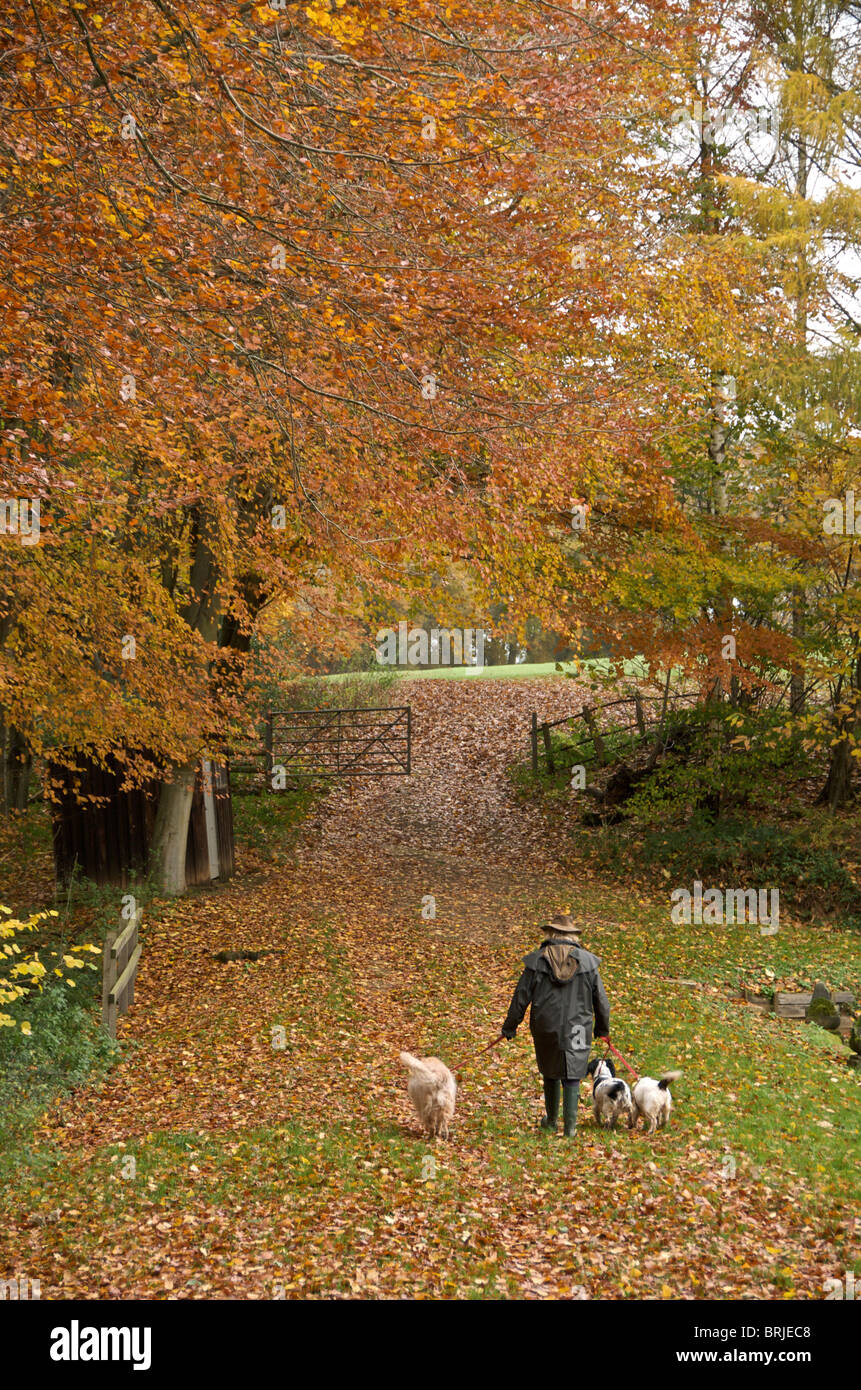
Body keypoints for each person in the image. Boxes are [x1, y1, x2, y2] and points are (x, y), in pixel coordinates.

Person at [500, 912, 610, 1138]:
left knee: (550, 1071)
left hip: (545, 1025)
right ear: (572, 936)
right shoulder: (588, 963)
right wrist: (602, 1029)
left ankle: (551, 1121)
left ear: (551, 934)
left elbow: (521, 996)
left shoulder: (537, 961)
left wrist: (510, 1026)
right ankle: (570, 1129)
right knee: (572, 1073)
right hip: (578, 1028)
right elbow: (601, 1000)